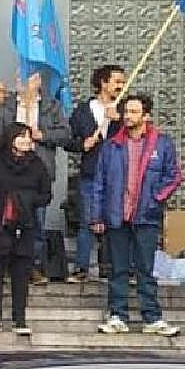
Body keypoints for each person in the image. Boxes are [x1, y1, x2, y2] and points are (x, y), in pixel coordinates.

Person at [91, 93, 182, 337]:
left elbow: (173, 176)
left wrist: (156, 199)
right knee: (117, 269)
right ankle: (117, 315)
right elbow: (99, 182)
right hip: (117, 215)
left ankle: (151, 317)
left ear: (146, 115)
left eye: (133, 112)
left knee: (145, 269)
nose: (127, 116)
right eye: (125, 112)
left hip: (147, 216)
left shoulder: (161, 144)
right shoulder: (111, 146)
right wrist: (96, 216)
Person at [0, 72, 70, 284]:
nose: (25, 83)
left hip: (37, 175)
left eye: (30, 79)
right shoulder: (6, 107)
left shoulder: (52, 106)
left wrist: (43, 135)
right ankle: (5, 267)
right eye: (21, 78)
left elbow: (66, 134)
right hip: (7, 176)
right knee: (5, 223)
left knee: (36, 225)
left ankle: (33, 267)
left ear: (39, 82)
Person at [0, 123, 52, 335]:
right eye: (22, 137)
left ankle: (19, 319)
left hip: (23, 225)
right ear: (10, 139)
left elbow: (46, 195)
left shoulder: (37, 164)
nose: (27, 140)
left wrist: (26, 200)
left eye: (28, 137)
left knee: (21, 273)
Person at [67, 64, 125, 283]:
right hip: (91, 173)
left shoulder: (125, 109)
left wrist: (118, 120)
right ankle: (81, 268)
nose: (120, 86)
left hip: (117, 175)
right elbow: (68, 141)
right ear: (103, 82)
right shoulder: (83, 111)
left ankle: (111, 268)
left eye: (122, 82)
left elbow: (134, 138)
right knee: (87, 221)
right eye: (116, 81)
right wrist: (83, 144)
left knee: (115, 222)